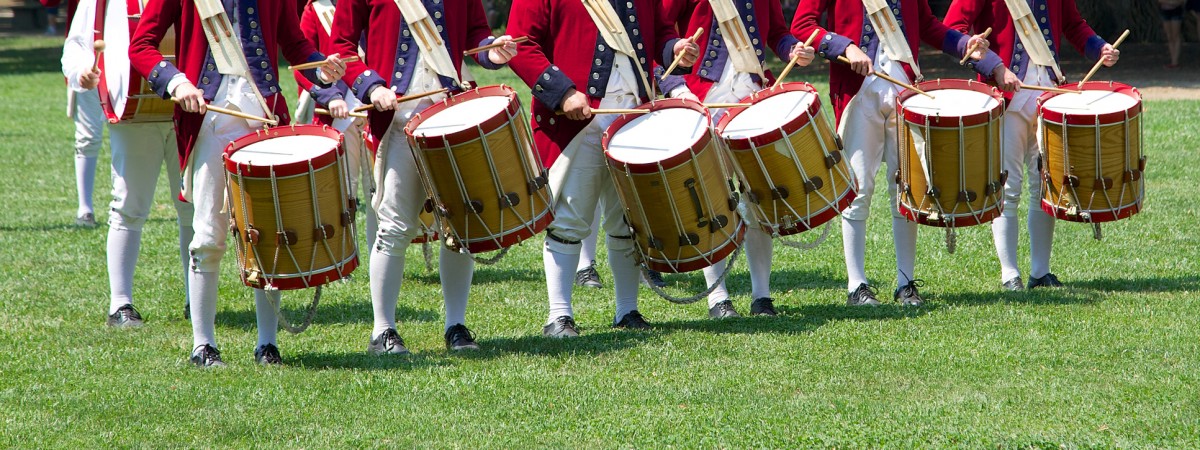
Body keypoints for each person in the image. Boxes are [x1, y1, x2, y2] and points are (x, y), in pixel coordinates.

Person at [130, 0, 347, 366]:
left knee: (269, 235)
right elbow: (141, 45)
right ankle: (204, 344)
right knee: (209, 238)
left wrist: (322, 69)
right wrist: (177, 82)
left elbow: (294, 45)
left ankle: (267, 344)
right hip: (209, 119)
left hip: (264, 117)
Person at [791, 0, 1017, 307]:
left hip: (905, 91)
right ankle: (856, 284)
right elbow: (803, 25)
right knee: (858, 189)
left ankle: (905, 283)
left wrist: (966, 43)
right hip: (857, 91)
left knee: (907, 189)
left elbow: (927, 25)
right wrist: (845, 47)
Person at [330, 0, 517, 353]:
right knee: (395, 228)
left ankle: (456, 326)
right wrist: (372, 87)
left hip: (452, 116)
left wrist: (492, 52)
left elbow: (475, 34)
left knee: (461, 225)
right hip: (398, 121)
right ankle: (382, 330)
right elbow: (340, 47)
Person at [506, 0, 697, 337]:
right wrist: (562, 92)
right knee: (570, 218)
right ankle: (559, 315)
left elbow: (660, 33)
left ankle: (627, 310)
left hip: (634, 116)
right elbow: (520, 45)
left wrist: (674, 48)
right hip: (578, 120)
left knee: (627, 219)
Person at [946, 0, 1120, 290]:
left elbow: (1073, 25)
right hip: (1006, 98)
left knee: (1046, 186)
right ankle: (1009, 273)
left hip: (1048, 95)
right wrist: (994, 66)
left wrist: (1098, 48)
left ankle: (1040, 271)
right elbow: (954, 30)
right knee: (1008, 187)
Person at [659, 0, 814, 319]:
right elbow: (657, 35)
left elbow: (778, 33)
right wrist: (675, 86)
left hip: (753, 99)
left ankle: (762, 296)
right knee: (713, 202)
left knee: (758, 198)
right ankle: (718, 297)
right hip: (703, 99)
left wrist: (793, 50)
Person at [63, 0, 195, 328]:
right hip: (132, 112)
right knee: (128, 206)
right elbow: (76, 45)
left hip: (190, 108)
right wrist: (82, 71)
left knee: (193, 206)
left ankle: (197, 299)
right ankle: (120, 303)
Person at [292, 0, 377, 252]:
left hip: (373, 105)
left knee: (377, 192)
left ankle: (378, 255)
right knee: (344, 191)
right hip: (339, 114)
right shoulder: (315, 10)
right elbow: (301, 67)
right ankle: (344, 256)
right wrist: (332, 97)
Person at [44, 0, 102, 227]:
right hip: (88, 58)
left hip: (134, 63)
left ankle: (128, 208)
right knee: (88, 136)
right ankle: (85, 208)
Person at [1160, 0, 1187, 69]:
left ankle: (1175, 61)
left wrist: (1170, 3)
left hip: (1176, 11)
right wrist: (1171, 3)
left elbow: (1181, 1)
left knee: (1175, 35)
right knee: (1169, 36)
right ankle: (1172, 60)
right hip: (1165, 11)